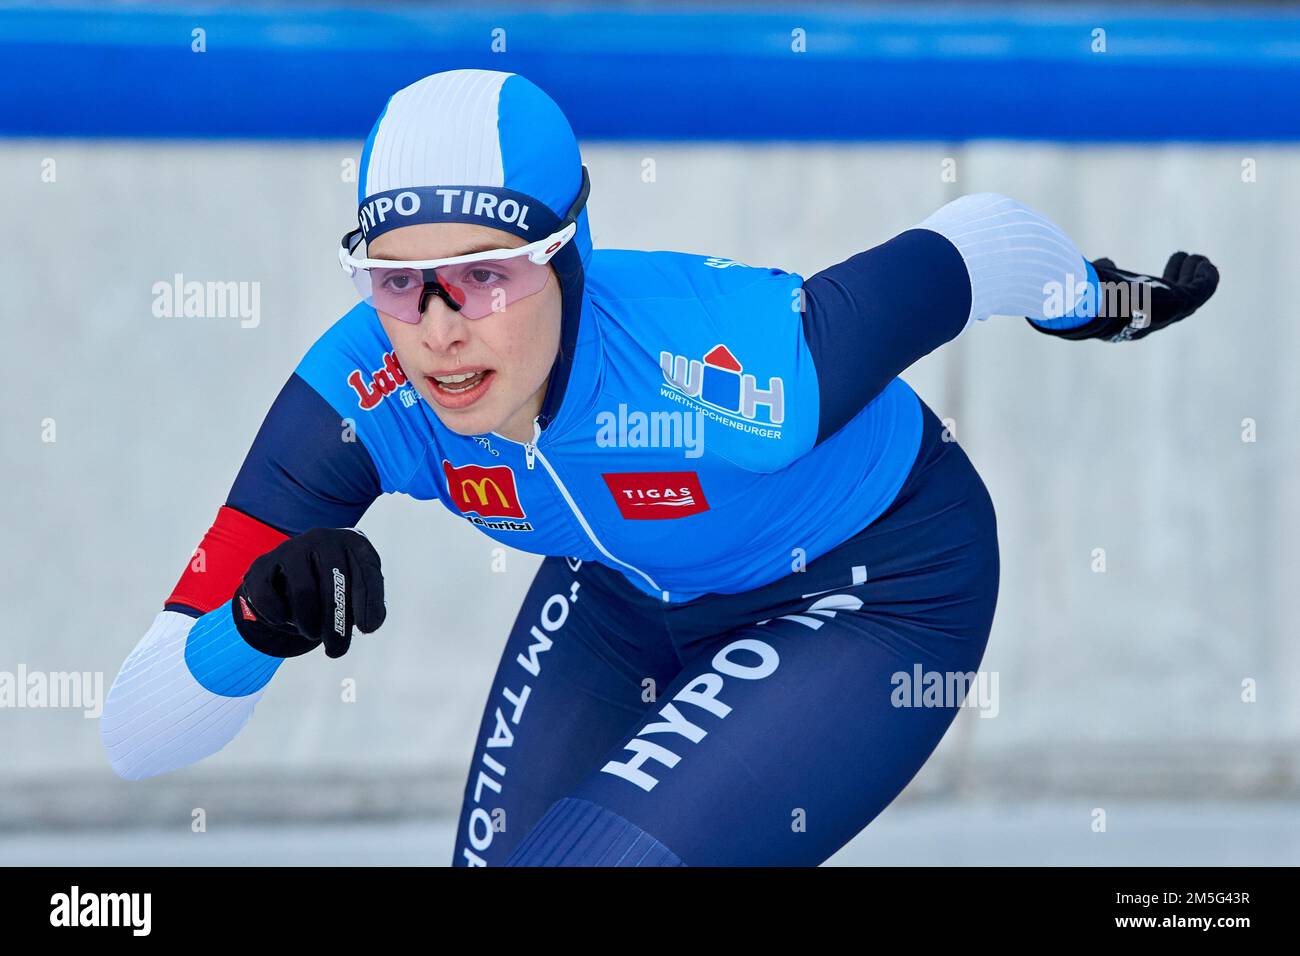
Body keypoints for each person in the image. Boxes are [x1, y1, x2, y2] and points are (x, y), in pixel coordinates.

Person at [99, 69, 1219, 866]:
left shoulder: (729, 361)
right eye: (397, 282)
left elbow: (972, 245)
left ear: (567, 252)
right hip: (624, 587)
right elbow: (136, 735)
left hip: (871, 586)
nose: (438, 328)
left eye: (485, 275)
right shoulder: (357, 398)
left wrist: (1093, 302)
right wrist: (249, 627)